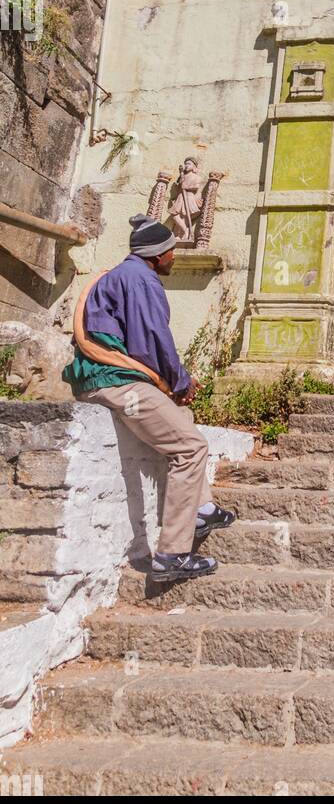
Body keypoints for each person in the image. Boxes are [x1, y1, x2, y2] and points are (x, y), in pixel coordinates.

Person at [62, 215, 235, 584]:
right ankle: (172, 554)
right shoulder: (142, 280)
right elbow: (151, 340)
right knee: (190, 447)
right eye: (171, 251)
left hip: (114, 378)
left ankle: (201, 509)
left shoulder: (126, 275)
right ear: (157, 255)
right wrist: (181, 380)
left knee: (181, 423)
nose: (174, 257)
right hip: (118, 383)